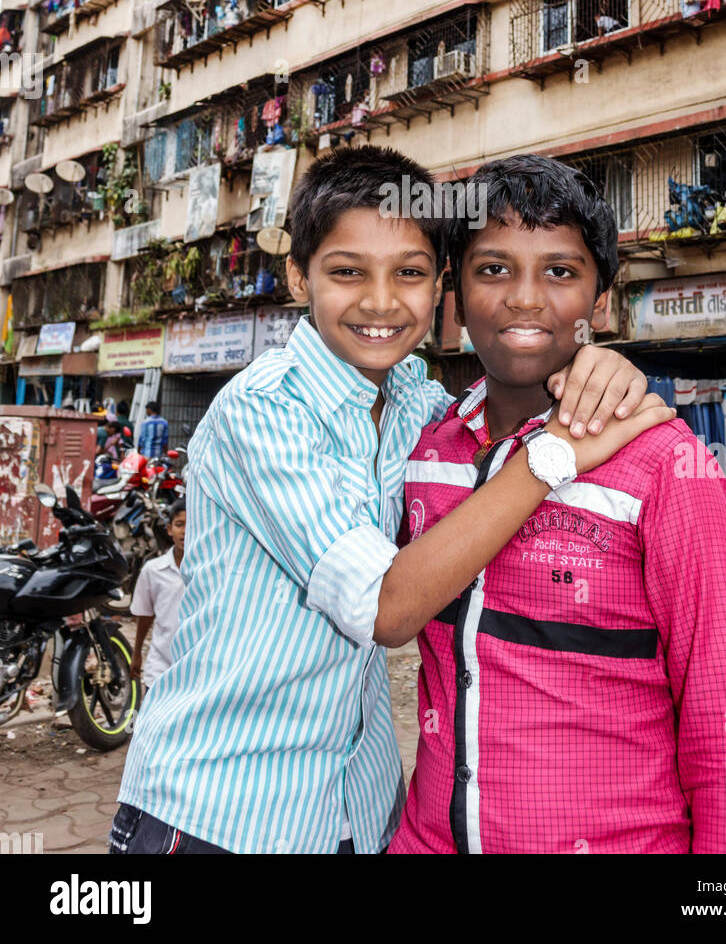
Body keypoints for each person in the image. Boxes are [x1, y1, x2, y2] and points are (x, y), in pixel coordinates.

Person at [110, 146, 672, 856]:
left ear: (439, 283)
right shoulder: (261, 411)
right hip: (219, 812)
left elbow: (509, 409)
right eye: (347, 272)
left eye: (407, 273)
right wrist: (555, 454)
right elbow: (387, 609)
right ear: (298, 275)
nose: (380, 302)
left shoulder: (419, 405)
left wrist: (601, 367)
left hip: (360, 811)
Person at [388, 155, 726, 855]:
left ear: (602, 301)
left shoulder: (666, 464)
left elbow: (725, 712)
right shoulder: (425, 450)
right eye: (493, 269)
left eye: (561, 272)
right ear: (454, 294)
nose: (524, 298)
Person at [129, 501, 186, 696]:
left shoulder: (209, 572)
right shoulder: (153, 570)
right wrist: (136, 653)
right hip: (160, 668)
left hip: (196, 672)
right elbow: (145, 615)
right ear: (169, 529)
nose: (185, 532)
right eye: (180, 524)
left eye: (191, 525)